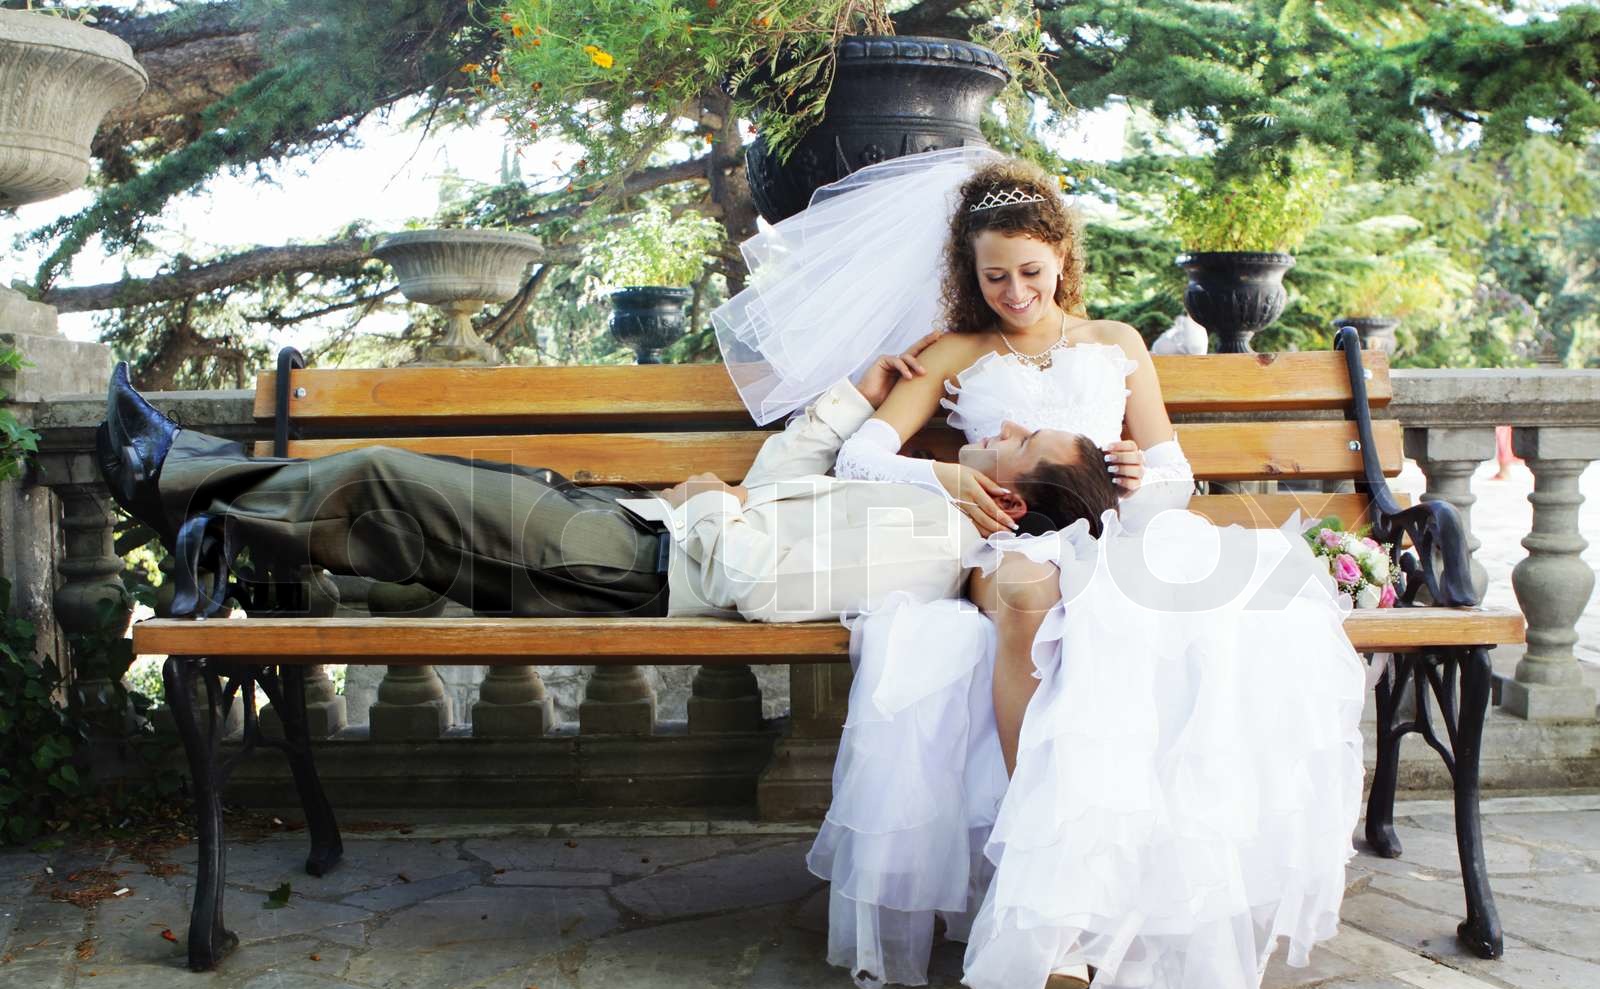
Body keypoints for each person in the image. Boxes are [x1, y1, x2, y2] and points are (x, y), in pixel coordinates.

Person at [715, 149, 1368, 989]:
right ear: (970, 270)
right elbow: (863, 455)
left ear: (1061, 255)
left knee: (1178, 622)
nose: (1014, 292)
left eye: (1029, 271)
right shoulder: (958, 351)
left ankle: (1123, 891)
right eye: (994, 276)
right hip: (1008, 540)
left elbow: (1173, 473)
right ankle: (1037, 858)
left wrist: (1137, 474)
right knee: (1032, 595)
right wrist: (947, 477)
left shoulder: (1118, 345)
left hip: (1112, 532)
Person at [95, 358, 1115, 626]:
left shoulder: (930, 543)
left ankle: (167, 470)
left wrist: (711, 501)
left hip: (633, 563)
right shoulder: (929, 500)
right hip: (627, 538)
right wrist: (856, 394)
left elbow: (760, 586)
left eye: (1021, 443)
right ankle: (204, 500)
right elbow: (783, 486)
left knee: (386, 476)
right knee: (398, 529)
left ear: (1015, 502)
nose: (1003, 430)